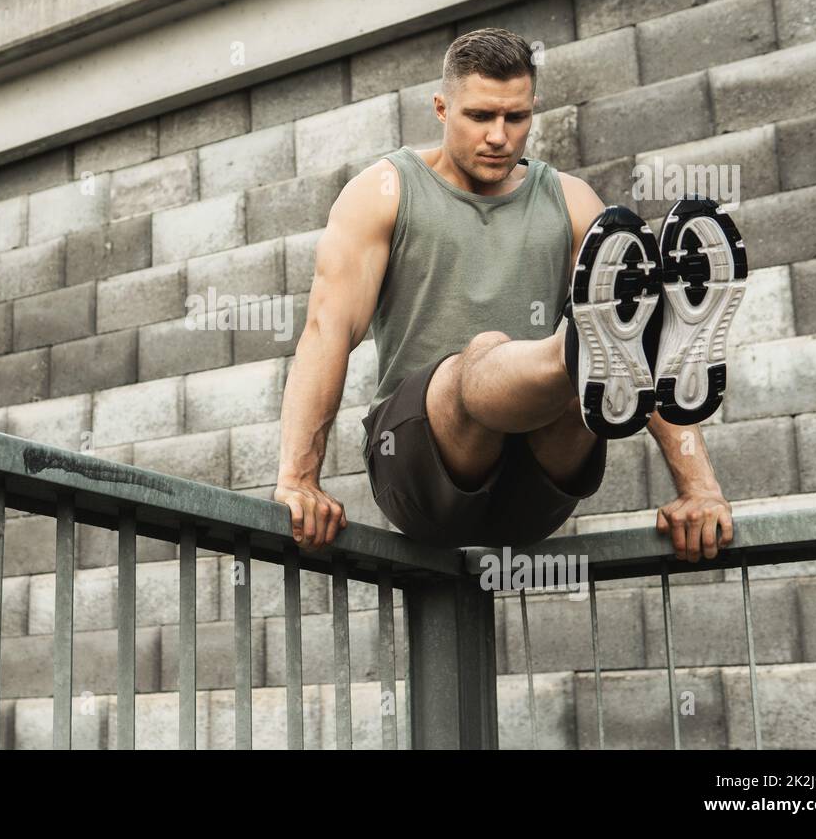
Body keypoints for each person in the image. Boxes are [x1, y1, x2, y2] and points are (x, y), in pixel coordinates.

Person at [272, 28, 748, 562]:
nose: (499, 135)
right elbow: (326, 331)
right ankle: (577, 347)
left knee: (593, 374)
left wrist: (700, 490)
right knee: (483, 353)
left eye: (515, 118)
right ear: (441, 108)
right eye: (479, 116)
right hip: (422, 473)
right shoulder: (385, 192)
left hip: (535, 494)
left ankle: (582, 348)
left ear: (531, 110)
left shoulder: (569, 201)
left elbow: (648, 357)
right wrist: (298, 479)